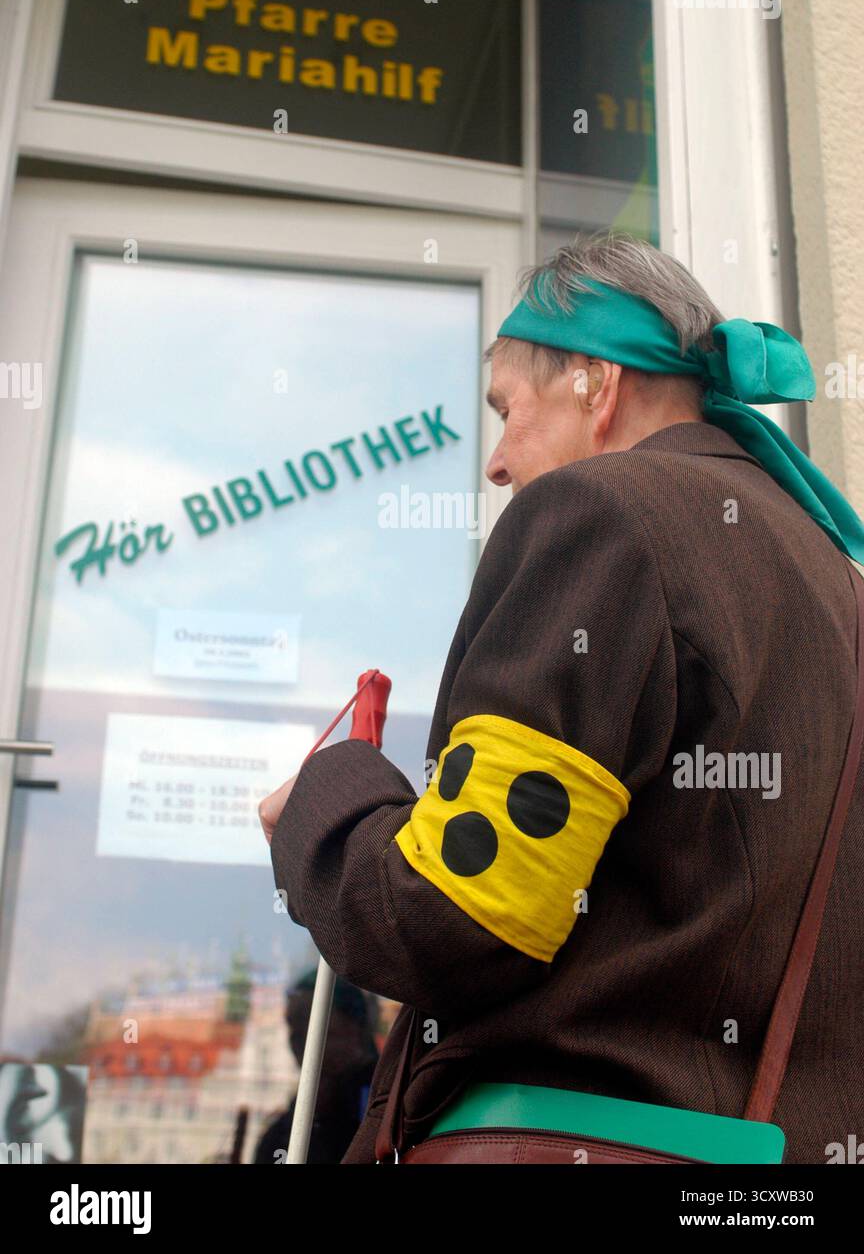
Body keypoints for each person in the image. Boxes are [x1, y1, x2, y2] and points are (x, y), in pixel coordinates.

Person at [259, 231, 864, 1164]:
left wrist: (324, 805)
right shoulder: (841, 584)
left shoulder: (603, 515)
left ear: (596, 382)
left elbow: (459, 913)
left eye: (507, 409)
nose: (496, 464)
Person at [252, 971, 380, 1165]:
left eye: (311, 1027)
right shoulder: (293, 1123)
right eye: (294, 1030)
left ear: (354, 1029)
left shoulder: (379, 1102)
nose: (298, 1043)